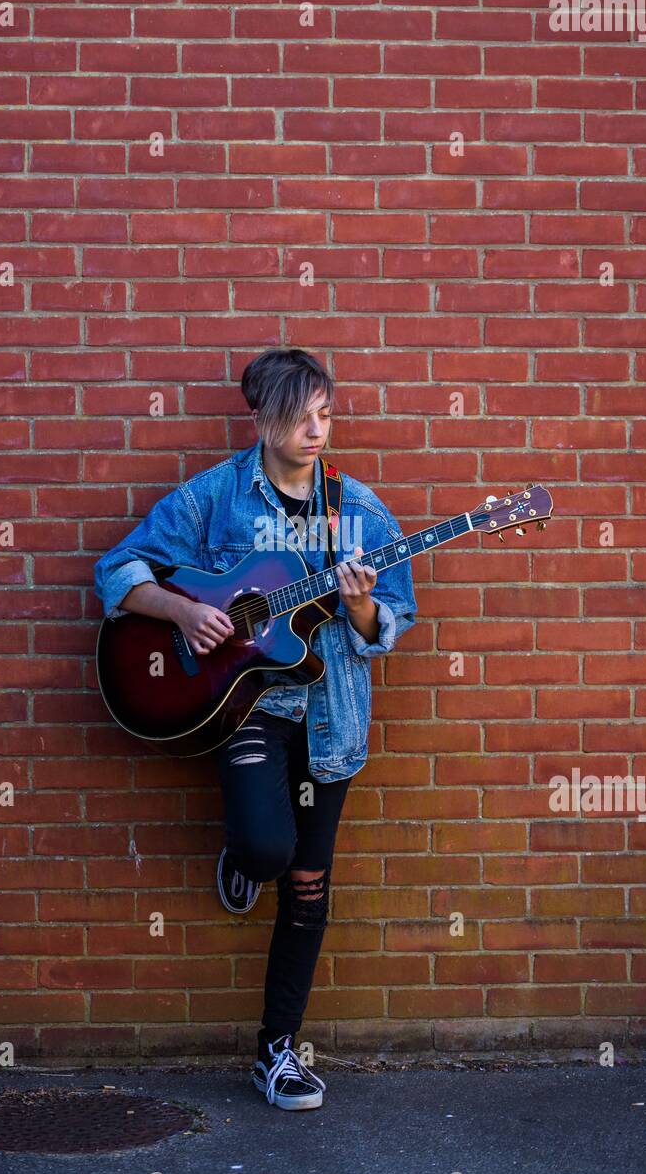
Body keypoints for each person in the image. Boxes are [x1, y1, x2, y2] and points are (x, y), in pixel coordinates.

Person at [94, 349, 417, 1110]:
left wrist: (363, 604)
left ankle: (277, 1052)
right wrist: (185, 611)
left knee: (309, 888)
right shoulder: (216, 499)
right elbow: (118, 570)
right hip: (246, 710)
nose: (316, 430)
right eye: (300, 416)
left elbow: (388, 625)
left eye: (326, 413)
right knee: (271, 850)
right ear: (259, 420)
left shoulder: (361, 512)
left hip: (333, 720)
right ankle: (245, 851)